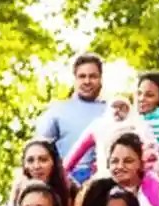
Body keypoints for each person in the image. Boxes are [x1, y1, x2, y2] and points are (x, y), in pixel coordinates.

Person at [36, 53, 108, 185]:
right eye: (82, 76)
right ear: (75, 79)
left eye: (93, 76)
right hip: (66, 180)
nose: (87, 81)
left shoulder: (111, 111)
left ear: (100, 79)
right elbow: (39, 150)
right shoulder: (56, 111)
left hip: (104, 180)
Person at [0, 139, 79, 206]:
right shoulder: (19, 188)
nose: (36, 166)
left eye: (43, 160)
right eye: (30, 160)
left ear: (54, 162)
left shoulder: (69, 188)